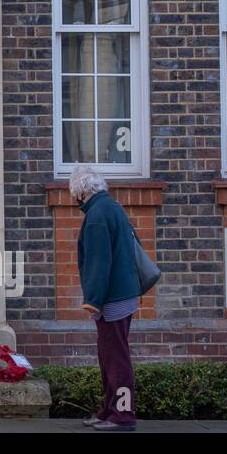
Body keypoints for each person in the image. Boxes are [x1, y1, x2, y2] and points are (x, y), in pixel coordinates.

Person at [69, 165, 139, 430]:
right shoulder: (111, 207)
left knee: (115, 358)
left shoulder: (97, 215)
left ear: (81, 191)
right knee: (109, 356)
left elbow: (99, 262)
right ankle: (109, 410)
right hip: (122, 294)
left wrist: (93, 300)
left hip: (111, 299)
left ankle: (123, 414)